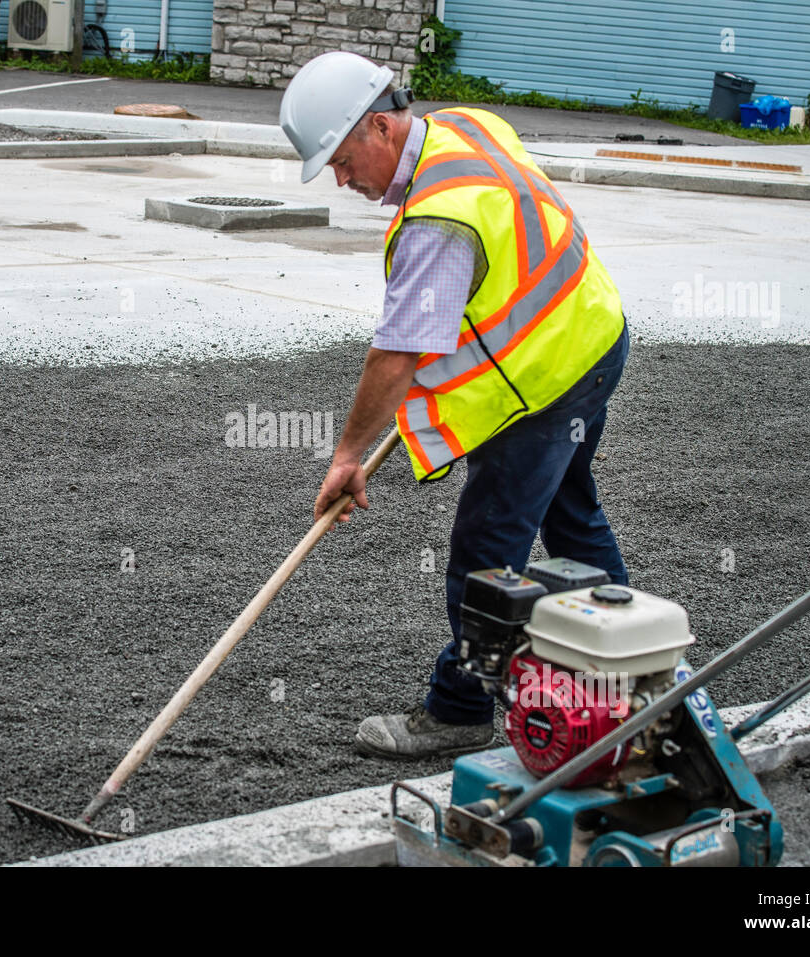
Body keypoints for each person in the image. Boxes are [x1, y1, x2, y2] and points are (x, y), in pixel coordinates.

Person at [278, 52, 631, 759]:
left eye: (345, 162)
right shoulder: (465, 126)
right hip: (593, 334)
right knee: (570, 513)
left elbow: (397, 354)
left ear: (379, 125)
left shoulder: (437, 220)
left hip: (544, 379)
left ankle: (461, 707)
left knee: (484, 552)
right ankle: (633, 665)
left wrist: (347, 456)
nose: (344, 182)